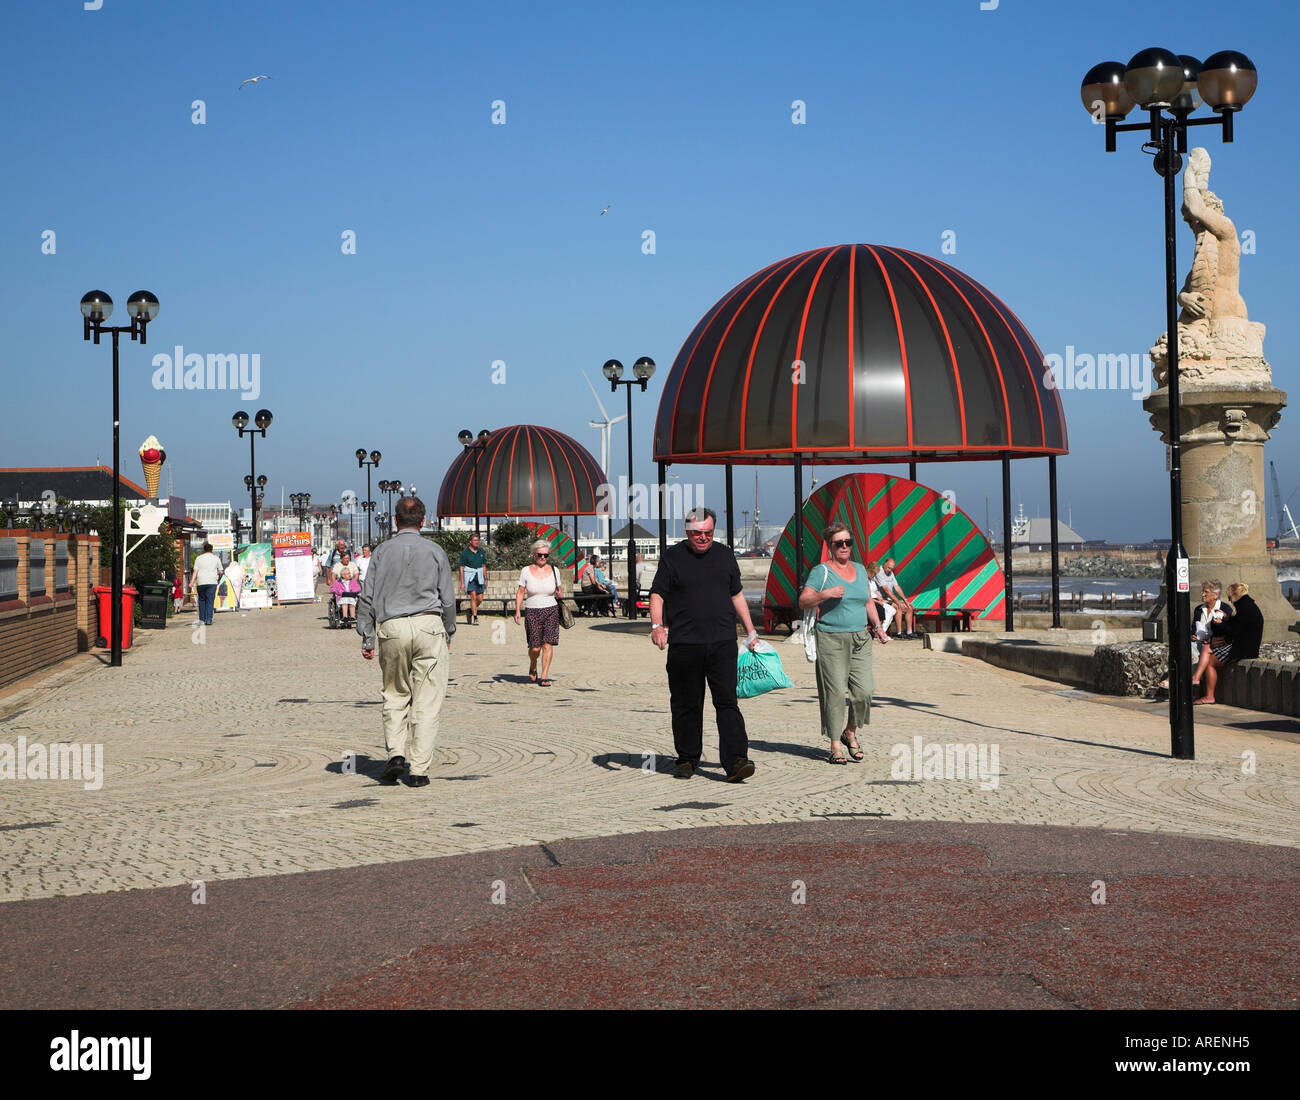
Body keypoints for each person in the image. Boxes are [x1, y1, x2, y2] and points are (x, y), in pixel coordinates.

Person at [649, 507, 760, 782]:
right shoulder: (672, 558)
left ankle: (736, 760)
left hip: (722, 642)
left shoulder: (724, 555)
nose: (703, 538)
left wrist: (751, 630)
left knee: (728, 703)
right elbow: (657, 594)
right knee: (687, 704)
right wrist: (657, 626)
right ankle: (687, 759)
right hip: (685, 644)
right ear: (687, 533)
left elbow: (736, 595)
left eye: (708, 533)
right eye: (697, 533)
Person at [357, 496, 456, 788]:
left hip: (392, 626)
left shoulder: (381, 552)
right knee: (427, 699)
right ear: (423, 521)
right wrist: (448, 630)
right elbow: (448, 597)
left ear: (395, 521)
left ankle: (396, 753)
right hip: (429, 624)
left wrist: (367, 635)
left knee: (395, 693)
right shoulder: (436, 551)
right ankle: (419, 770)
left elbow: (367, 596)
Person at [800, 525, 890, 764]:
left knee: (864, 691)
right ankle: (835, 744)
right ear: (830, 546)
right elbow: (803, 600)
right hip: (831, 639)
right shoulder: (821, 572)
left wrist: (878, 627)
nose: (844, 547)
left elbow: (867, 601)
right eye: (838, 543)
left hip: (861, 638)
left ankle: (850, 731)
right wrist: (825, 594)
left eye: (847, 542)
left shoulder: (861, 570)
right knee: (836, 694)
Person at [1192, 580, 1264, 704]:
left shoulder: (1244, 608)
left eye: (1230, 597)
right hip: (1244, 645)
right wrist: (1227, 618)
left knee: (1209, 661)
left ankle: (1206, 692)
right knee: (1207, 653)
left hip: (1243, 649)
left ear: (1234, 595)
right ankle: (1199, 685)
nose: (1230, 601)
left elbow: (1233, 631)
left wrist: (1220, 623)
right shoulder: (1247, 605)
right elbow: (1238, 625)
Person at [515, 539, 565, 685]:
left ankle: (544, 676)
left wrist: (559, 593)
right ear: (534, 554)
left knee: (547, 644)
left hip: (551, 609)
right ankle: (533, 664)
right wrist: (517, 610)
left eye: (546, 555)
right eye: (540, 555)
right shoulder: (526, 571)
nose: (543, 558)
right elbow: (520, 592)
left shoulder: (555, 571)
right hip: (532, 611)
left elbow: (559, 590)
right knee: (535, 647)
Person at [874, 556, 917, 637]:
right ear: (884, 564)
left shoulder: (891, 573)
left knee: (909, 608)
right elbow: (886, 590)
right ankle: (899, 633)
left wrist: (905, 600)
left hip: (890, 599)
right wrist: (898, 602)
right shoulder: (879, 572)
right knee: (898, 606)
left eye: (891, 569)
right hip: (882, 600)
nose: (890, 570)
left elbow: (897, 587)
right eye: (889, 568)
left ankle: (909, 632)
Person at [189, 542, 223, 626]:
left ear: (204, 550)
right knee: (210, 601)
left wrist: (191, 582)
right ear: (212, 550)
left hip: (201, 582)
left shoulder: (199, 558)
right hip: (212, 582)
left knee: (202, 600)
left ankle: (202, 620)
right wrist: (218, 579)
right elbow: (221, 571)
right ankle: (209, 620)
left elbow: (195, 571)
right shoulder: (216, 558)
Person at [459, 532, 487, 624]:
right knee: (473, 597)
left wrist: (485, 579)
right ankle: (475, 617)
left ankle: (470, 611)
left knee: (480, 599)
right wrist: (462, 583)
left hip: (479, 577)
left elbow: (483, 566)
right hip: (470, 577)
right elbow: (461, 568)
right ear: (470, 541)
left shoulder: (481, 552)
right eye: (475, 540)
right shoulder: (465, 553)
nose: (476, 542)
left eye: (477, 540)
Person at [864, 558, 897, 636]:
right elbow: (866, 595)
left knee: (892, 610)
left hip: (876, 599)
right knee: (883, 610)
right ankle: (880, 632)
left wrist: (880, 598)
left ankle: (881, 631)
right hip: (869, 600)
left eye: (875, 574)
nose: (874, 575)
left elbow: (875, 591)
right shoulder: (864, 579)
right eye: (873, 573)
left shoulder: (872, 580)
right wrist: (878, 601)